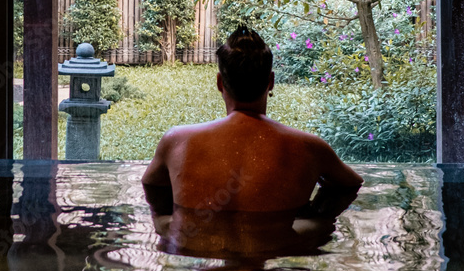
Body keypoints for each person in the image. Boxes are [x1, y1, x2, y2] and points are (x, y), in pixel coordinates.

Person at [142, 25, 362, 225]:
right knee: (316, 227)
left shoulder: (176, 141)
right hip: (283, 249)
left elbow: (152, 190)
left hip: (194, 246)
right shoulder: (311, 148)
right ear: (271, 82)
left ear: (220, 83)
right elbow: (351, 185)